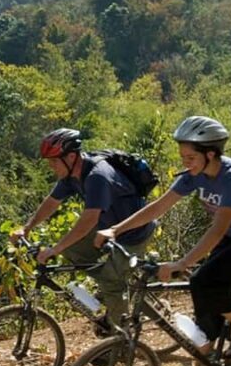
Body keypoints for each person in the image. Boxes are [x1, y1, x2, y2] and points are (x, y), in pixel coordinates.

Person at [95, 116, 231, 366]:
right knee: (205, 306)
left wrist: (182, 263)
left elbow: (217, 231)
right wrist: (116, 229)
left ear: (211, 153)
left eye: (190, 156)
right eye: (182, 156)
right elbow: (159, 207)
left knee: (204, 283)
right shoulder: (195, 176)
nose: (185, 162)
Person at [10, 128, 156, 332]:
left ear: (71, 157)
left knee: (111, 284)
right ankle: (113, 290)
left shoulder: (97, 176)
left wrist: (54, 250)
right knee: (74, 250)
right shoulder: (72, 174)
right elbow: (52, 202)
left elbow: (88, 220)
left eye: (54, 161)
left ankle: (121, 340)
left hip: (133, 232)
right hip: (107, 228)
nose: (51, 167)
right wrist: (27, 228)